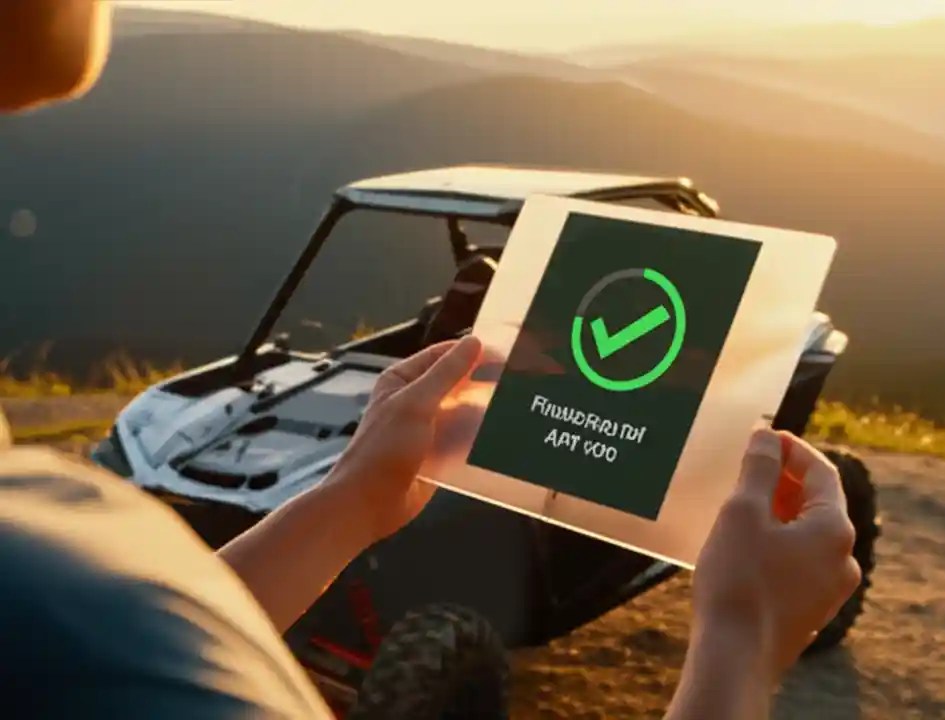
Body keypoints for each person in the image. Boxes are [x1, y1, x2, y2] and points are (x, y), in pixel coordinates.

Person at [0, 3, 862, 718]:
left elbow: (170, 630)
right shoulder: (77, 627)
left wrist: (344, 505)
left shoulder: (63, 574)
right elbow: (133, 649)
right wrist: (738, 657)